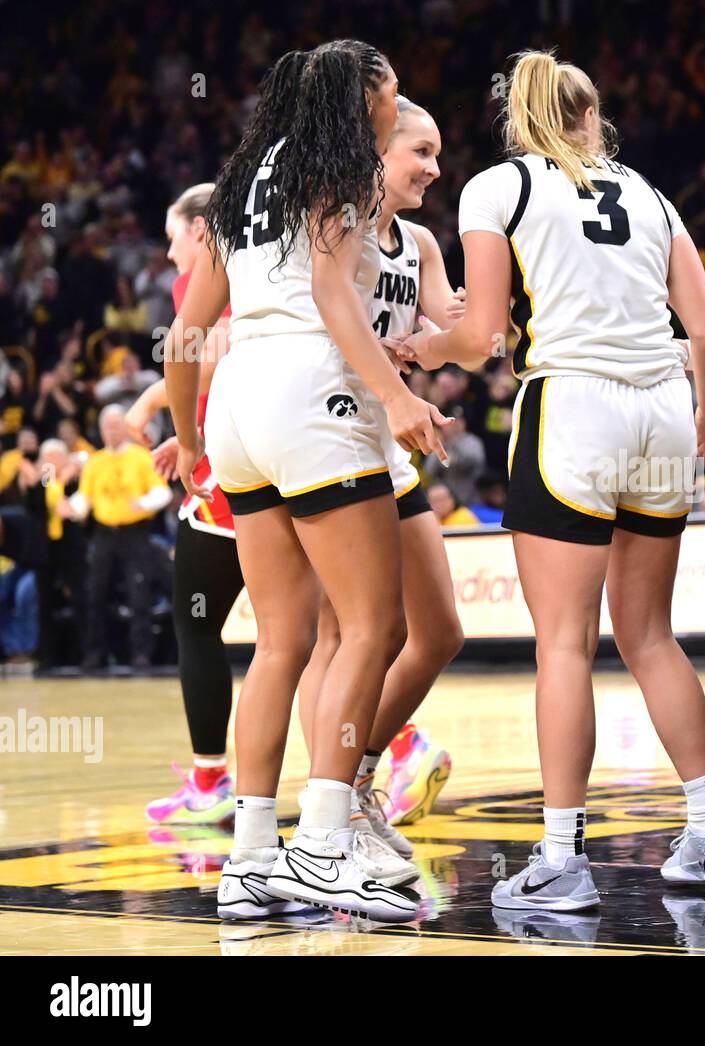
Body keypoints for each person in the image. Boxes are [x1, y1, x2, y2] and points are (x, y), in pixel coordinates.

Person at [394, 50, 705, 909]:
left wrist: (418, 349)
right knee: (651, 635)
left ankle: (562, 860)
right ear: (594, 115)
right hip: (663, 407)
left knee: (562, 644)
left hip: (574, 409)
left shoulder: (497, 187)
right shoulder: (654, 196)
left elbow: (480, 338)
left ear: (518, 121)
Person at [166, 41, 449, 923]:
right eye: (391, 91)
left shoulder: (246, 175)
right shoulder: (343, 162)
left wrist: (186, 435)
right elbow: (333, 294)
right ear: (362, 96)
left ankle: (251, 859)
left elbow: (186, 327)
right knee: (373, 624)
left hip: (237, 409)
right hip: (311, 392)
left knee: (282, 642)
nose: (395, 104)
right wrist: (397, 394)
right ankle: (327, 843)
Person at [296, 95, 466, 880]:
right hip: (332, 436)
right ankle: (326, 816)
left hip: (391, 441)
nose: (433, 168)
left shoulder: (422, 241)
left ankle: (356, 778)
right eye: (420, 152)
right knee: (342, 639)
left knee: (436, 634)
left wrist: (471, 325)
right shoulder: (336, 219)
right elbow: (322, 313)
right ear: (379, 151)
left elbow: (457, 337)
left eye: (436, 155)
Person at [128, 181, 241, 826]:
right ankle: (380, 760)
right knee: (326, 636)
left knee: (196, 626)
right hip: (303, 456)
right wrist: (185, 431)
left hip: (239, 470)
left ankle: (211, 783)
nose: (170, 256)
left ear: (201, 228)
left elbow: (213, 352)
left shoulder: (206, 276)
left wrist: (153, 407)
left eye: (173, 238)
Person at [61, 404, 171, 671]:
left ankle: (141, 655)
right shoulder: (95, 461)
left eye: (116, 425)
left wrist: (144, 503)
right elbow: (84, 499)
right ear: (100, 430)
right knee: (95, 594)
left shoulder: (141, 456)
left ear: (125, 426)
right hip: (103, 535)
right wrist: (71, 508)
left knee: (139, 594)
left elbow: (163, 492)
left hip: (135, 534)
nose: (111, 431)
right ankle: (94, 655)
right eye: (107, 426)